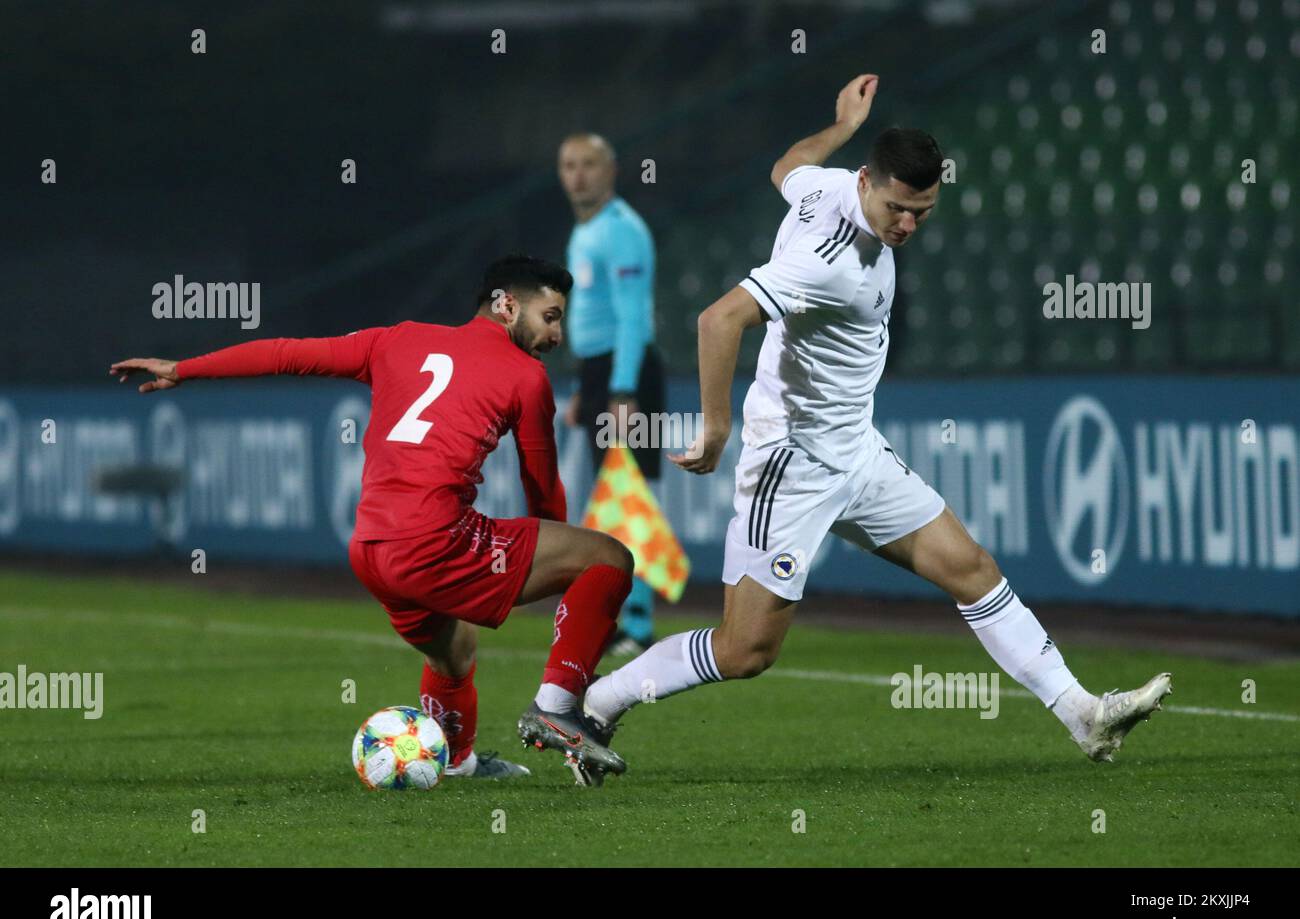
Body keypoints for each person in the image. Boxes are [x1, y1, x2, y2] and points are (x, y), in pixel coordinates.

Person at [571, 75, 1171, 775]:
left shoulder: (826, 185)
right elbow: (718, 318)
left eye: (923, 210)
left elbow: (784, 167)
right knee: (745, 653)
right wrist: (714, 428)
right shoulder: (827, 263)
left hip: (855, 452)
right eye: (898, 208)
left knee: (972, 570)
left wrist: (839, 124)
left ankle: (1084, 717)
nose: (908, 225)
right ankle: (598, 702)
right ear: (867, 185)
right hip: (790, 463)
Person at [111, 255, 633, 781]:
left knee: (454, 652)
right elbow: (540, 485)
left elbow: (286, 354)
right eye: (550, 316)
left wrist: (184, 368)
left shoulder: (396, 339)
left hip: (371, 550)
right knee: (609, 558)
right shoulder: (527, 377)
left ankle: (455, 761)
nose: (557, 333)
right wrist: (562, 565)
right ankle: (557, 708)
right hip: (434, 542)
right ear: (507, 305)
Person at [557, 132, 663, 656]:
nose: (578, 175)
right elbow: (590, 317)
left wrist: (621, 390)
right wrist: (585, 387)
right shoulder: (588, 231)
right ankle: (628, 617)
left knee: (629, 498)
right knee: (612, 500)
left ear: (611, 170)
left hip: (630, 373)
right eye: (569, 165)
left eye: (588, 165)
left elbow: (631, 318)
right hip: (601, 375)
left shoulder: (622, 232)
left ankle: (638, 623)